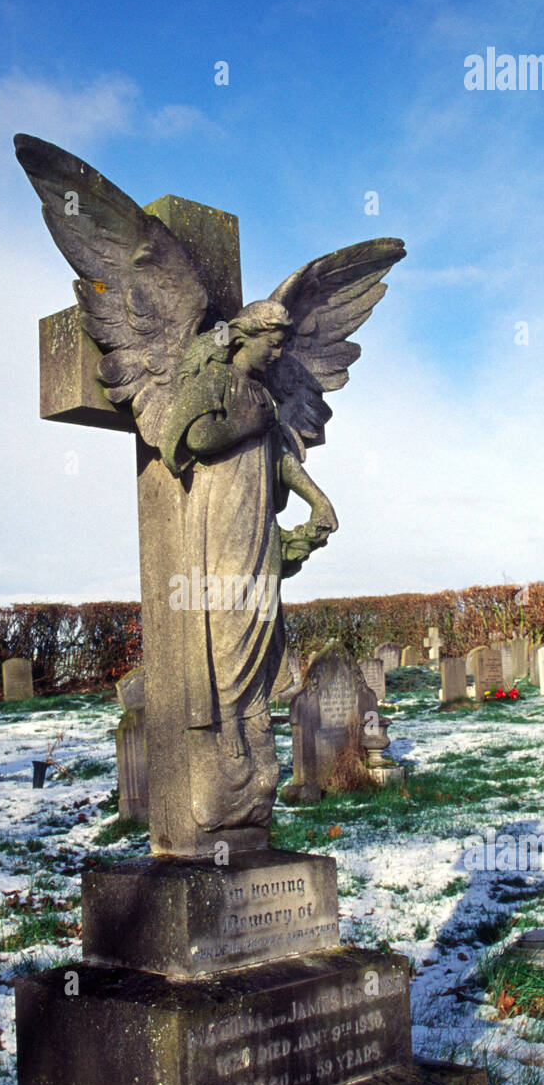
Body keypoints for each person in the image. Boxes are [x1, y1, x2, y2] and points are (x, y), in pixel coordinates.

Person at [158, 301, 338, 830]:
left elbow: (279, 454)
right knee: (228, 619)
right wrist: (243, 422)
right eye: (272, 342)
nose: (280, 352)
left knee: (260, 616)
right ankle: (227, 728)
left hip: (258, 518)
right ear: (244, 337)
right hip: (220, 518)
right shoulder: (212, 380)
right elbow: (191, 439)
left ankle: (253, 717)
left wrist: (317, 499)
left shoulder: (263, 394)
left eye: (284, 343)